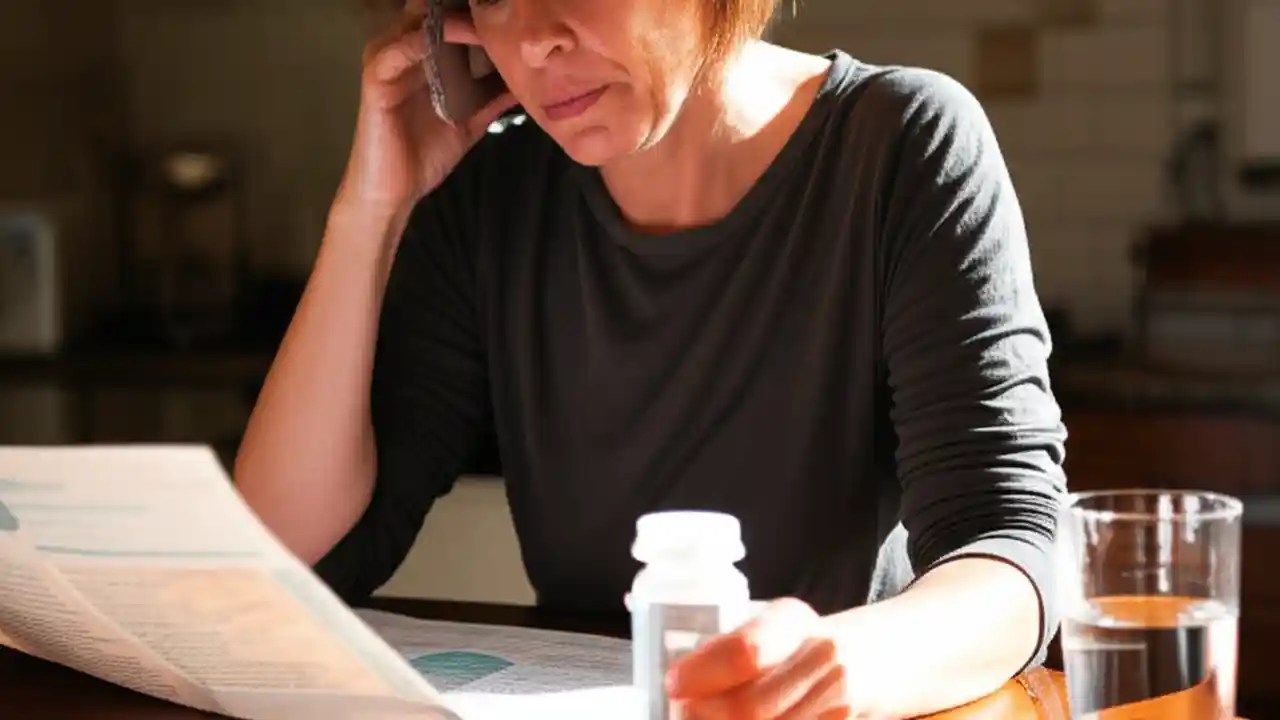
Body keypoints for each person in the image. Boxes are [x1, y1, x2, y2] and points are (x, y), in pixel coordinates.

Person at [235, 0, 1068, 716]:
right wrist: (369, 212)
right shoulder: (492, 199)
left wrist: (837, 663)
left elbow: (1011, 547)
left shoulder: (903, 144)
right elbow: (289, 561)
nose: (532, 44)